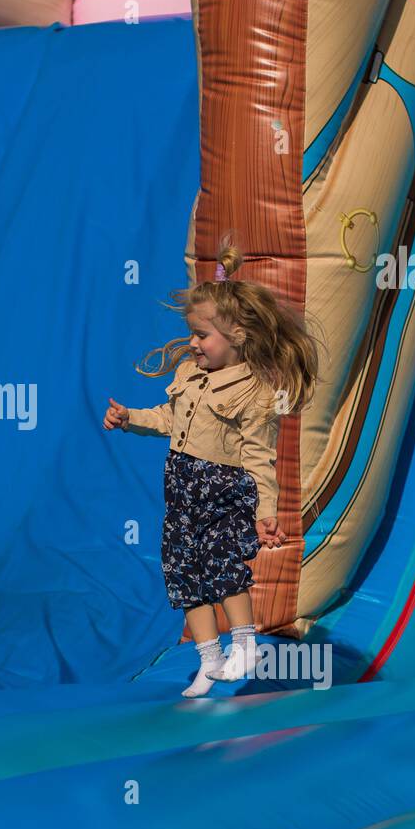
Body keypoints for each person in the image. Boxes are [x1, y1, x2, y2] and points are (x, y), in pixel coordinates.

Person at [103, 237, 318, 697]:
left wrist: (265, 514)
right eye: (192, 333)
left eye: (202, 336)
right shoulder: (188, 377)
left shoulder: (254, 392)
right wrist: (130, 420)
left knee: (222, 567)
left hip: (222, 490)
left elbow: (260, 458)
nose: (192, 344)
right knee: (184, 575)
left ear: (237, 337)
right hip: (181, 493)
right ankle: (208, 658)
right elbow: (168, 419)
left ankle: (244, 642)